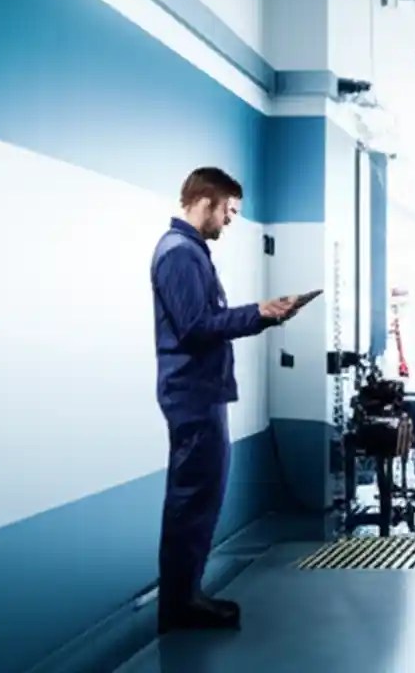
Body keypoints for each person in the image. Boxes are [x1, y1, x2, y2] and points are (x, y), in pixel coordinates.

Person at [150, 167, 307, 634]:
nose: (232, 220)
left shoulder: (190, 252)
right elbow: (196, 327)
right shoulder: (179, 255)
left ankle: (186, 596)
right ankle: (180, 605)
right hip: (193, 395)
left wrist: (260, 314)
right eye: (230, 210)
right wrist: (258, 313)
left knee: (198, 498)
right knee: (192, 500)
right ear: (206, 201)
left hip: (200, 392)